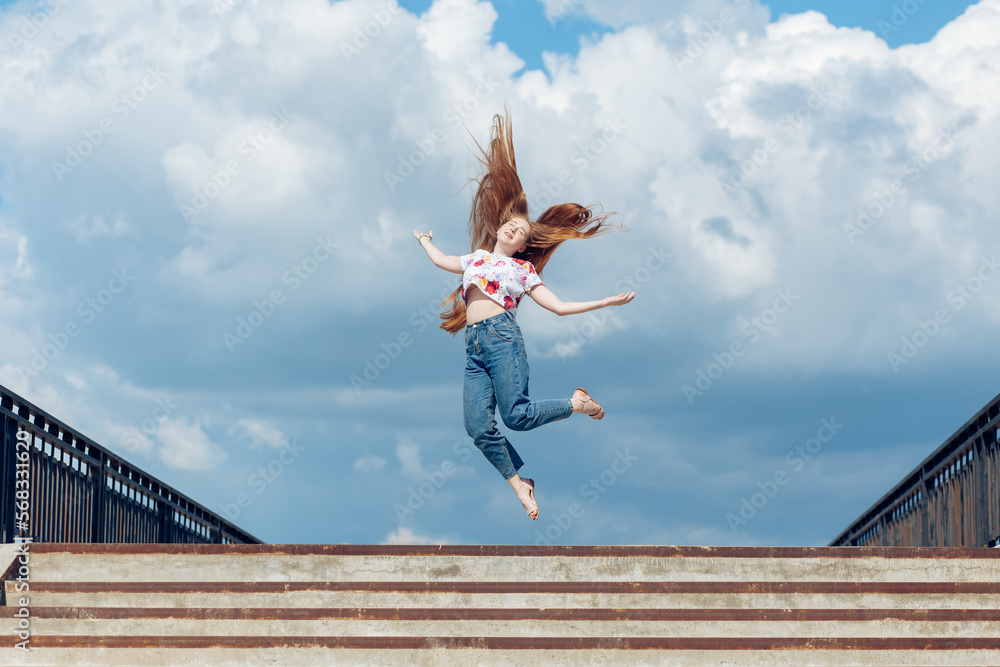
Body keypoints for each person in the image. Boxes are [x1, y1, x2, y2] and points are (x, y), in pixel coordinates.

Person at [414, 111, 635, 521]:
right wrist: (425, 241)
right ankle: (520, 484)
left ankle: (577, 404)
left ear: (522, 248)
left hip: (502, 340)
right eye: (512, 227)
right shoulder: (475, 258)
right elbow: (442, 259)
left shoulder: (523, 271)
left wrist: (605, 302)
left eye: (523, 234)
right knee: (478, 428)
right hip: (475, 349)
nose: (516, 233)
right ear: (499, 229)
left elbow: (558, 307)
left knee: (517, 416)